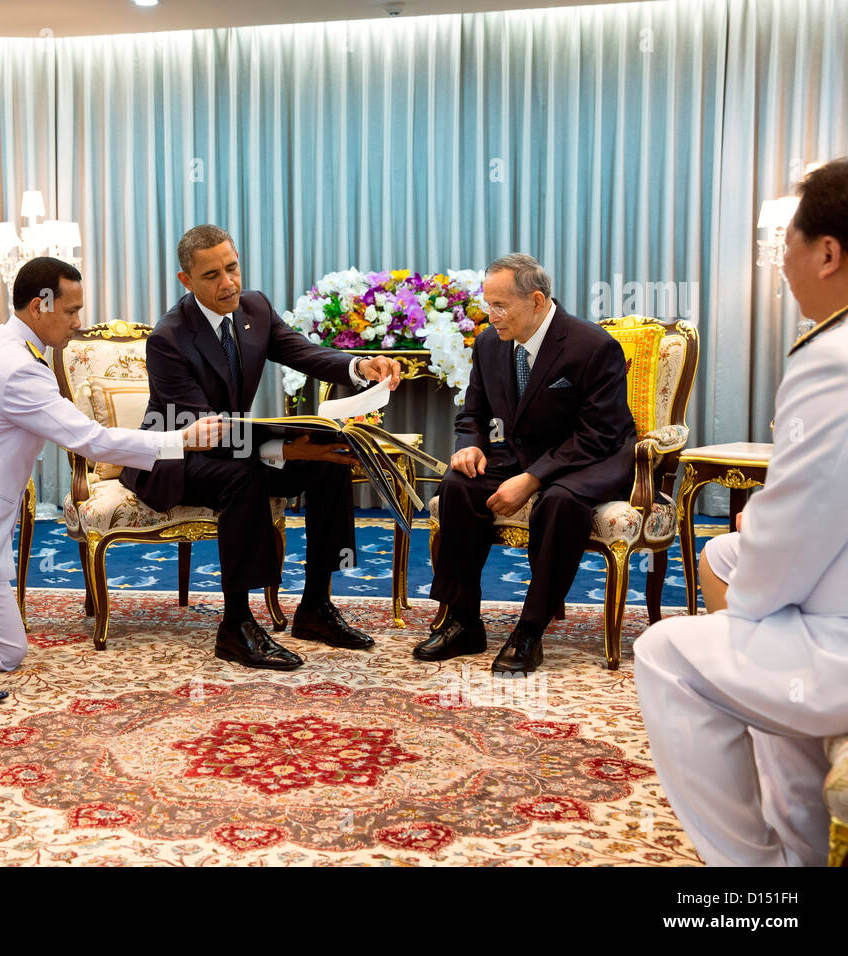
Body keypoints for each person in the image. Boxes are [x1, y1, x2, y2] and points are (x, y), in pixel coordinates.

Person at [635, 158, 848, 866]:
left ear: (827, 252)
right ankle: (803, 832)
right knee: (729, 560)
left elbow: (796, 519)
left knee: (666, 652)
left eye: (787, 240)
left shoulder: (833, 357)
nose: (780, 260)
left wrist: (755, 604)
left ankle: (757, 877)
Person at [0, 257, 222, 671]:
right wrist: (179, 440)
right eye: (71, 311)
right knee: (5, 651)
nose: (78, 322)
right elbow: (91, 439)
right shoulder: (18, 367)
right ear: (40, 305)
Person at [121, 225, 403, 670]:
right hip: (179, 457)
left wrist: (359, 365)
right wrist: (287, 449)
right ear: (186, 281)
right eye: (211, 275)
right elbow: (207, 433)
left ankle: (315, 607)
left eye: (231, 267)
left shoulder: (255, 307)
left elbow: (305, 353)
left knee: (330, 461)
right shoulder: (169, 339)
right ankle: (235, 625)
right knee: (244, 476)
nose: (228, 283)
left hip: (239, 444)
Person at [415, 253, 636, 675]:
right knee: (459, 485)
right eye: (487, 304)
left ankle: (530, 629)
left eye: (500, 306)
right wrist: (472, 446)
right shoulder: (488, 343)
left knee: (559, 503)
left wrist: (532, 479)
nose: (490, 315)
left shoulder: (593, 347)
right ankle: (462, 619)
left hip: (590, 458)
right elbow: (472, 414)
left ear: (536, 301)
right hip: (517, 456)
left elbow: (599, 434)